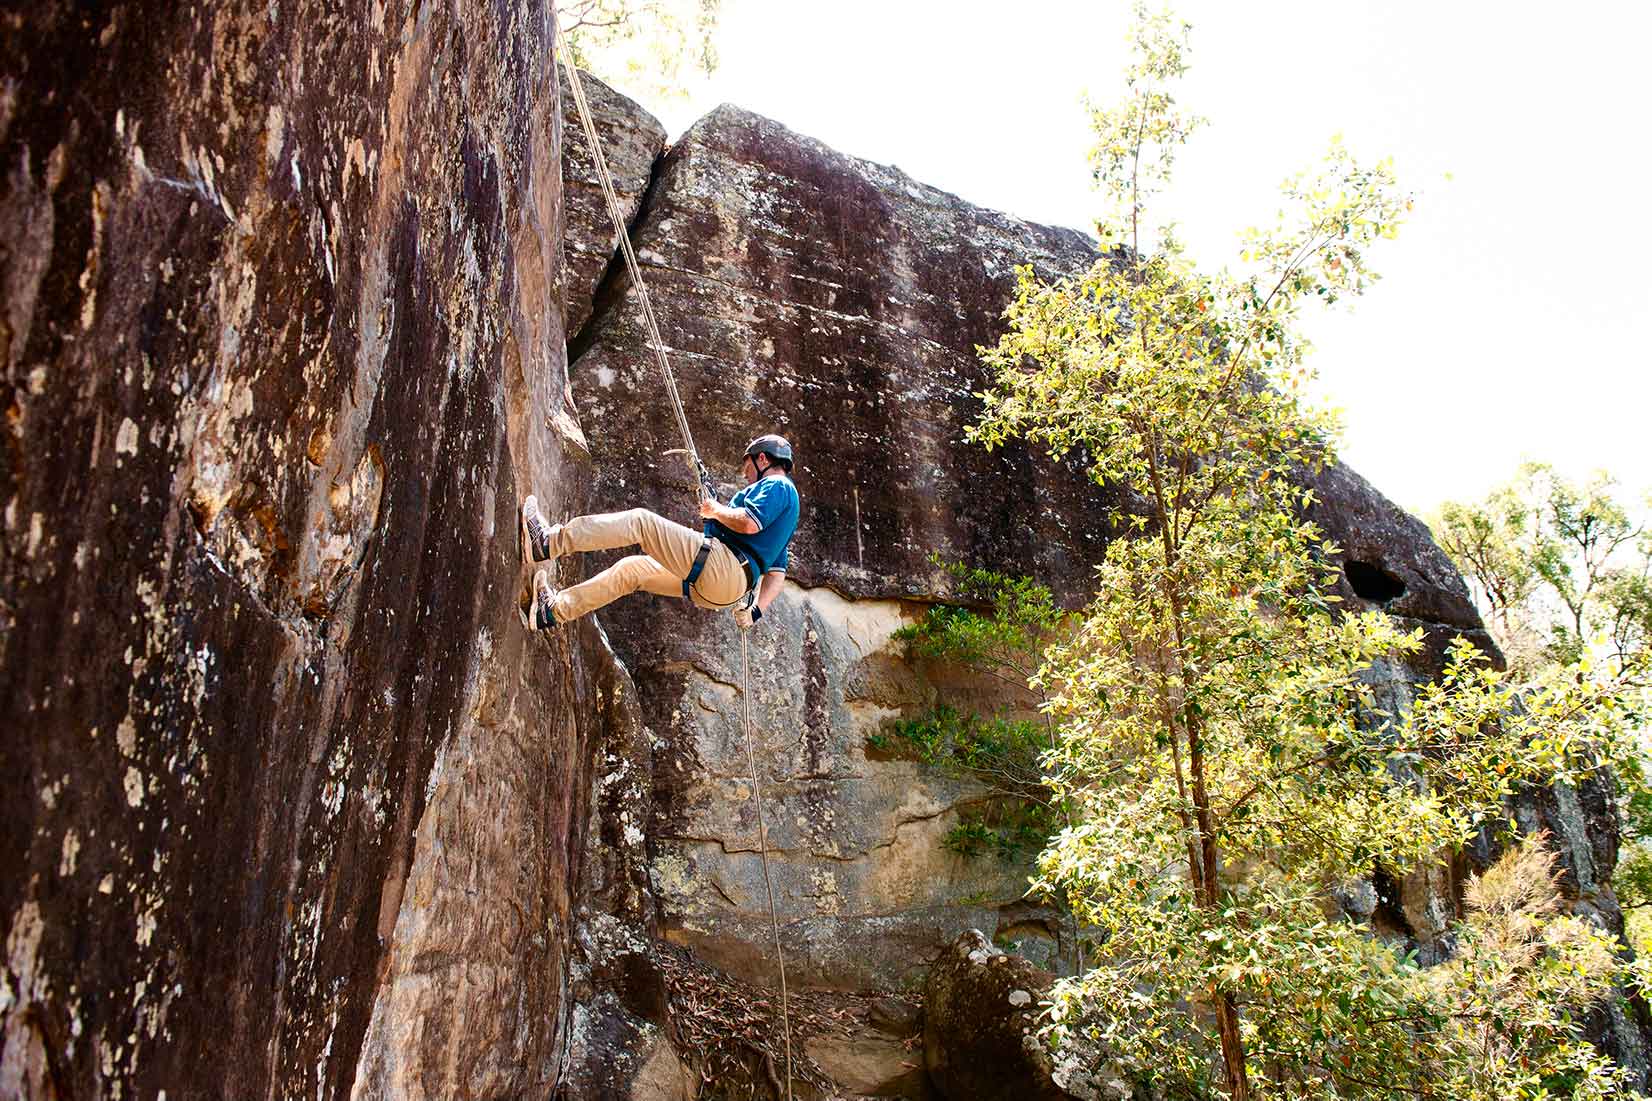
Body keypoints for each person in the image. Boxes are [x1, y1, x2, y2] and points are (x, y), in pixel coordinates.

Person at [519, 434, 800, 630]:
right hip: (724, 590)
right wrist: (755, 612)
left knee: (640, 522)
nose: (745, 473)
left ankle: (546, 543)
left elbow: (749, 523)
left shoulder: (778, 486)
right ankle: (551, 611)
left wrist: (715, 511)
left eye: (748, 465)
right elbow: (776, 574)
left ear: (762, 458)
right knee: (633, 571)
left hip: (722, 567)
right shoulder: (786, 518)